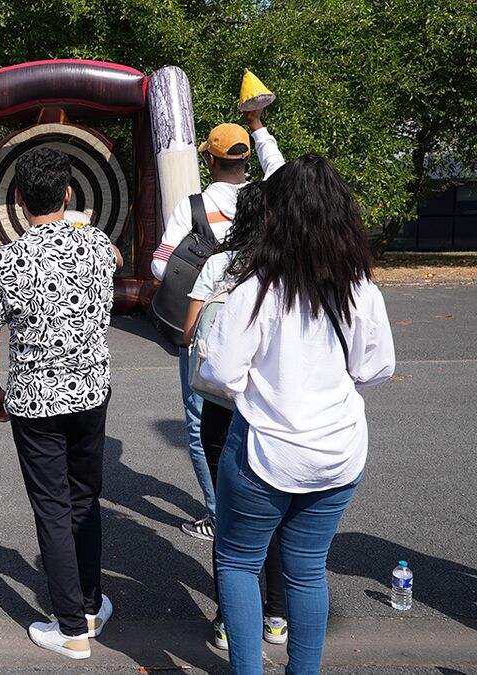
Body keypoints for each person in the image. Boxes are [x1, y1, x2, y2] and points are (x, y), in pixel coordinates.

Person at [202, 154, 396, 674]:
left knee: (239, 563)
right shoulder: (362, 290)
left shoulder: (254, 289)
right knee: (307, 569)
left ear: (274, 216)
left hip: (264, 450)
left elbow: (219, 376)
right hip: (338, 450)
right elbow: (376, 369)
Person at [0, 147, 117, 660]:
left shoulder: (6, 261)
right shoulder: (98, 243)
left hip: (35, 397)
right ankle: (91, 603)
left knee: (53, 509)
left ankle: (70, 627)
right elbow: (106, 252)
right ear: (69, 194)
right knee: (85, 499)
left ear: (17, 199)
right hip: (91, 390)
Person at [151, 108, 285, 542]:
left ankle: (217, 513)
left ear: (209, 160)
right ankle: (258, 507)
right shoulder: (267, 199)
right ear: (245, 160)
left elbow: (160, 264)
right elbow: (280, 169)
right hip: (261, 318)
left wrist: (205, 277)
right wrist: (258, 124)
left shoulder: (192, 206)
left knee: (199, 419)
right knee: (256, 410)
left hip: (206, 322)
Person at [182, 182, 286, 651]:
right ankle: (277, 617)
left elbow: (188, 332)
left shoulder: (218, 265)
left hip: (224, 407)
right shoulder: (291, 267)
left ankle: (227, 621)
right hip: (274, 406)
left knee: (230, 515)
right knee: (280, 515)